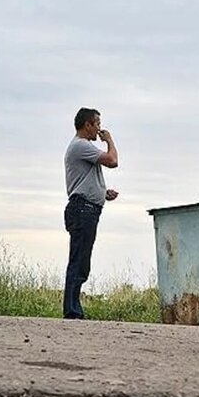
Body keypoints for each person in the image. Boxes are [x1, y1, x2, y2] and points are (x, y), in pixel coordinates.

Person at [62, 108, 119, 320]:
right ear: (87, 124)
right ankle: (72, 311)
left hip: (86, 208)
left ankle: (74, 308)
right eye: (97, 124)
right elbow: (113, 161)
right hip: (82, 209)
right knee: (78, 261)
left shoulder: (81, 148)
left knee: (82, 261)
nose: (99, 129)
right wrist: (110, 140)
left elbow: (84, 179)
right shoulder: (81, 146)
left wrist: (103, 193)